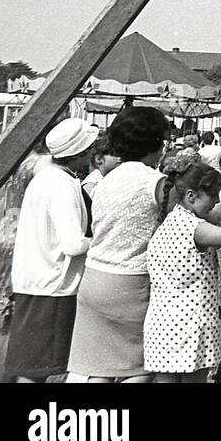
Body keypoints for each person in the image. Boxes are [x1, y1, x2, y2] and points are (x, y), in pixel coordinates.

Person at [67, 106, 171, 383]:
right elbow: (182, 223)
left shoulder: (104, 179)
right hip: (131, 282)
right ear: (156, 144)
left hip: (94, 276)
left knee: (99, 369)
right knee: (139, 368)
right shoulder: (156, 183)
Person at [144, 162, 221, 382]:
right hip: (190, 324)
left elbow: (213, 215)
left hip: (161, 324)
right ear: (192, 196)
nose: (217, 201)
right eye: (212, 196)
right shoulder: (194, 228)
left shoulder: (168, 221)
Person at [6, 118, 97, 382]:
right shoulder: (62, 185)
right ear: (77, 154)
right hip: (54, 285)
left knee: (30, 367)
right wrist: (103, 241)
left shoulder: (45, 178)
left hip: (35, 280)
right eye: (88, 151)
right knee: (44, 370)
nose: (92, 156)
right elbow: (72, 243)